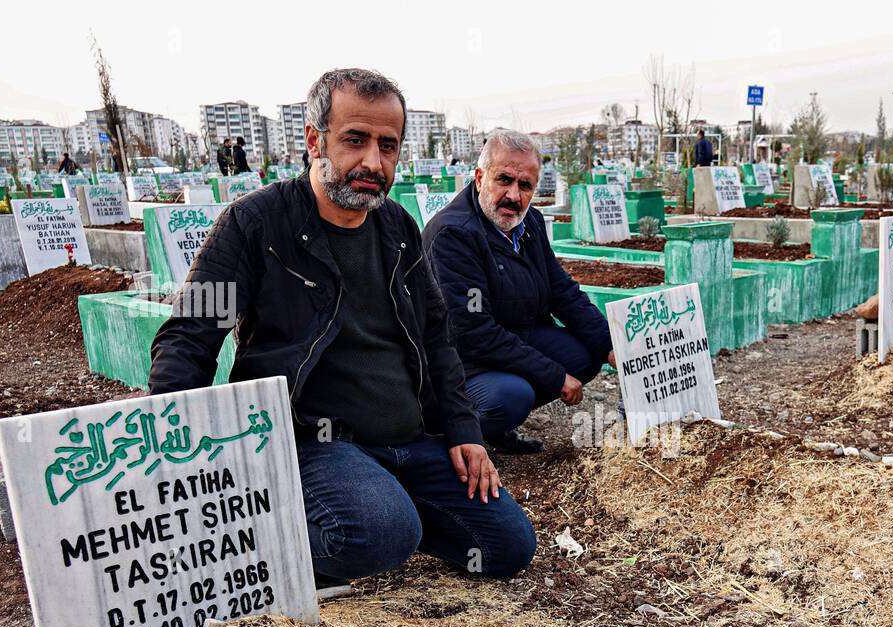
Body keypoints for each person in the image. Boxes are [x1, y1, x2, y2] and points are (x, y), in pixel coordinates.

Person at [148, 67, 535, 586]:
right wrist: (177, 457)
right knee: (380, 533)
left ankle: (382, 506)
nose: (373, 163)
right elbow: (191, 333)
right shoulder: (256, 223)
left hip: (410, 437)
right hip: (313, 439)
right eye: (355, 140)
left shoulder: (397, 226)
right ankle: (281, 532)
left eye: (388, 145)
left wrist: (465, 433)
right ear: (315, 140)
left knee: (506, 547)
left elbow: (437, 337)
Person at [423, 129, 615, 455]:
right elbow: (473, 331)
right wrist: (554, 377)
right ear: (480, 177)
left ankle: (494, 425)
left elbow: (561, 290)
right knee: (511, 397)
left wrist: (611, 345)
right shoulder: (453, 234)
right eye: (504, 180)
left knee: (585, 356)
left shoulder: (530, 224)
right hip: (458, 358)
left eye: (525, 185)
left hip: (511, 336)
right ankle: (447, 433)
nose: (514, 195)